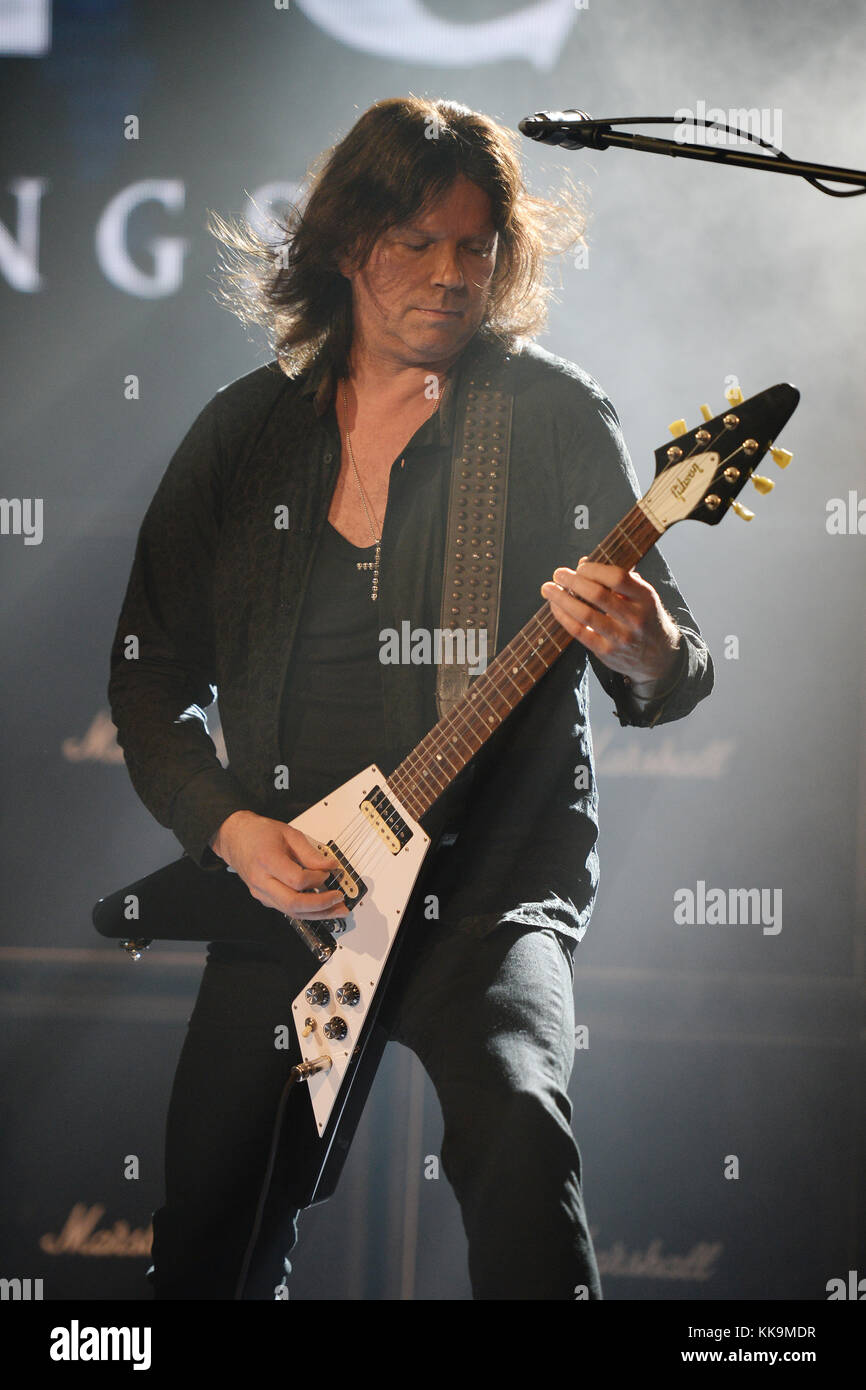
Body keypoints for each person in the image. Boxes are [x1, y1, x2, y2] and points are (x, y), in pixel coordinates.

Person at [108, 96, 713, 1301]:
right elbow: (148, 680)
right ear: (346, 248)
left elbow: (671, 664)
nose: (450, 276)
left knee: (520, 1141)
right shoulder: (245, 436)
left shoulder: (547, 416)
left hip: (490, 888)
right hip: (296, 888)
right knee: (208, 1237)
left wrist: (643, 643)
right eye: (416, 245)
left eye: (476, 247)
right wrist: (235, 831)